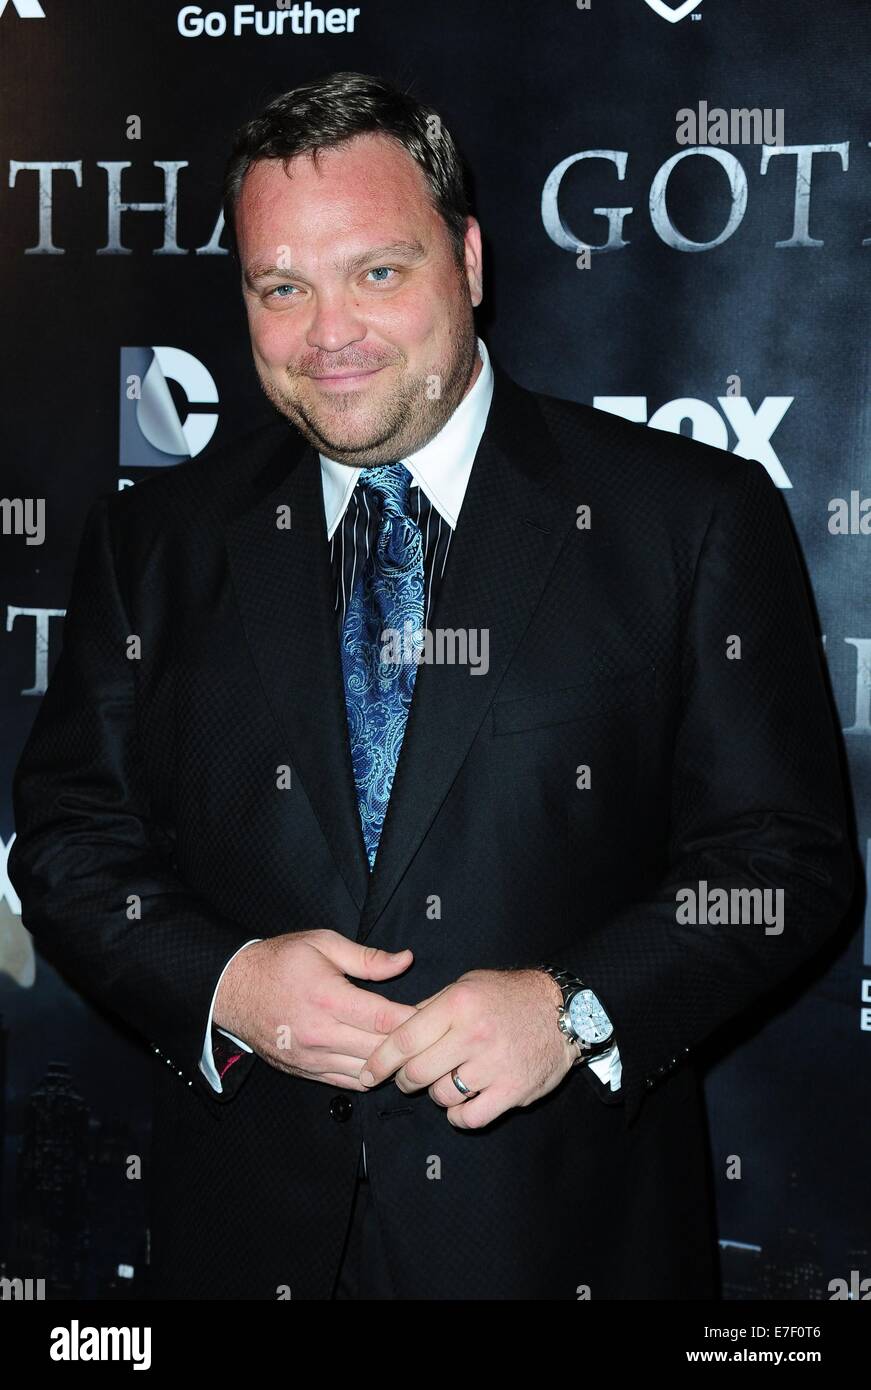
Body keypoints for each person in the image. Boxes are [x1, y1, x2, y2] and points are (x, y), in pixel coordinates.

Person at [8, 70, 854, 1301]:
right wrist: (228, 982)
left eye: (378, 272)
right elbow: (72, 842)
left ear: (466, 257)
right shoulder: (158, 541)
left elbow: (785, 859)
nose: (328, 333)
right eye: (280, 287)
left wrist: (574, 1008)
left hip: (567, 1242)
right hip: (244, 1240)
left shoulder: (684, 518)